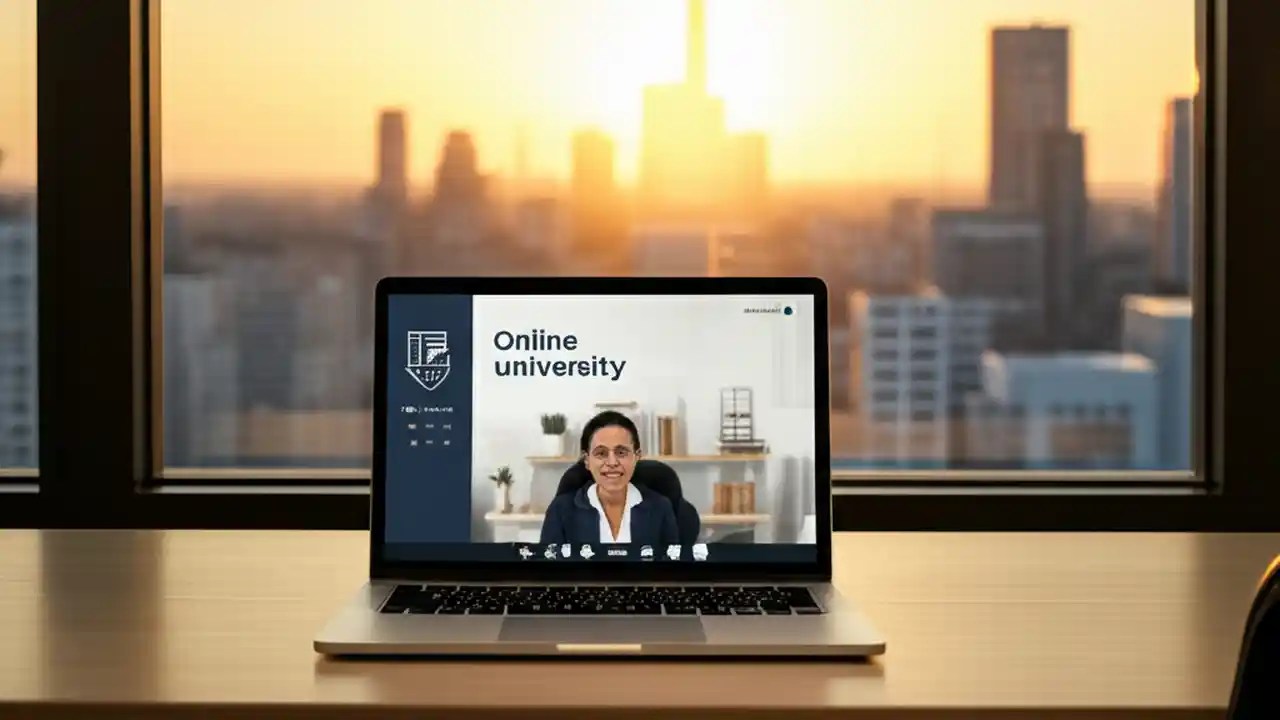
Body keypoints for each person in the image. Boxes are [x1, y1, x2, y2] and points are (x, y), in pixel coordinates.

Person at [539, 410, 680, 547]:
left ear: (636, 457)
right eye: (601, 453)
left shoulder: (660, 508)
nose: (612, 462)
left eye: (621, 452)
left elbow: (672, 567)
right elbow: (548, 569)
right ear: (587, 460)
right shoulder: (561, 510)